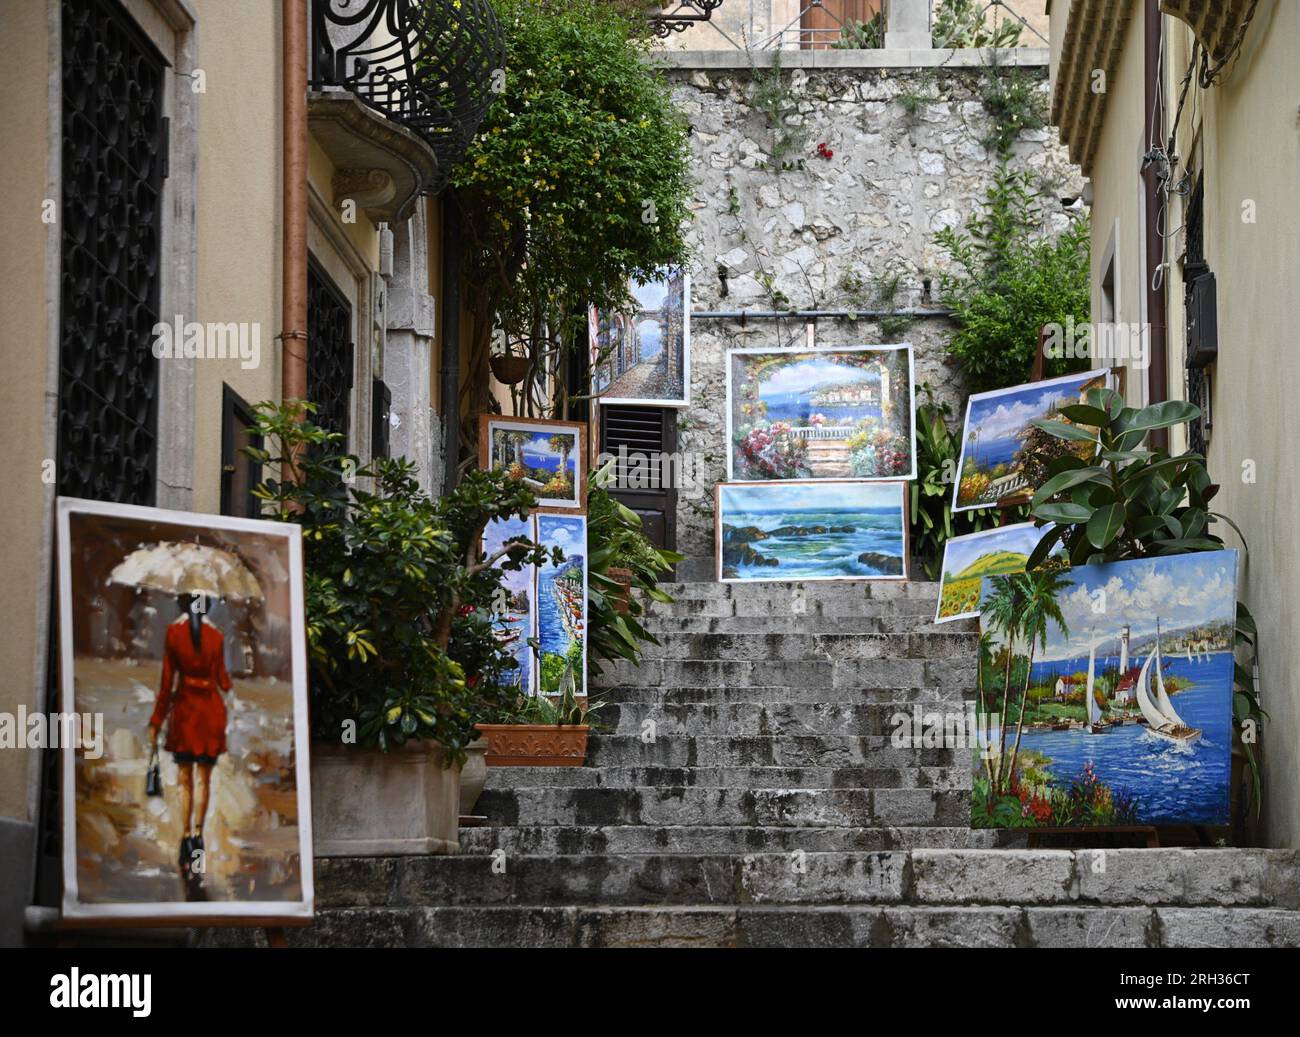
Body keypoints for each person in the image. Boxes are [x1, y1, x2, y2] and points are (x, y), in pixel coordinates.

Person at [146, 593, 232, 874]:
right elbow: (223, 680)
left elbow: (166, 683)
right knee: (204, 778)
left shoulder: (174, 633)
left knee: (185, 778)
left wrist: (156, 721)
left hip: (185, 710)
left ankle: (185, 837)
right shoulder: (216, 637)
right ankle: (198, 834)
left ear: (181, 604)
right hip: (210, 711)